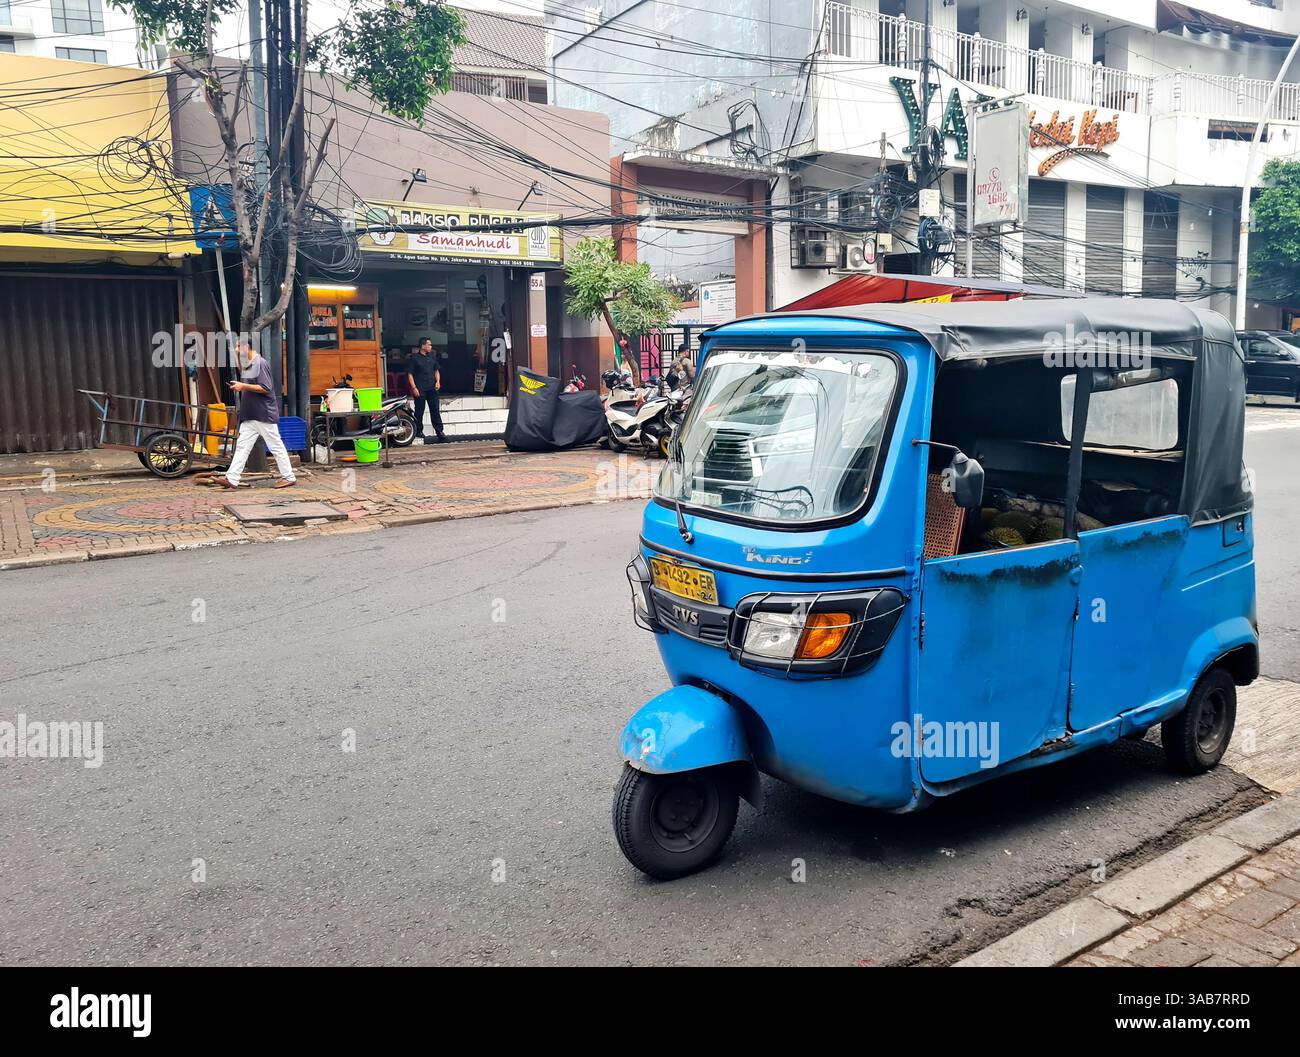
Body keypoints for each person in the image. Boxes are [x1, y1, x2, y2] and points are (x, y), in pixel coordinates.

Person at [217, 338, 296, 489]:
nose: (237, 350)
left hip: (263, 414)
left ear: (247, 347)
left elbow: (266, 387)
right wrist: (241, 386)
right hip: (252, 414)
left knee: (275, 446)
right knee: (242, 446)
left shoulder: (260, 363)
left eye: (239, 346)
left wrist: (243, 386)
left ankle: (289, 476)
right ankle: (232, 478)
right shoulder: (251, 364)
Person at [407, 337, 445, 444]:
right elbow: (410, 374)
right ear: (423, 346)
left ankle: (439, 431)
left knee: (435, 410)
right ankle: (418, 431)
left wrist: (438, 381)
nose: (431, 346)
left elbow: (436, 370)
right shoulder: (414, 358)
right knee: (419, 411)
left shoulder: (432, 357)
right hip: (420, 388)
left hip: (432, 388)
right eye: (429, 344)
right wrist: (414, 388)